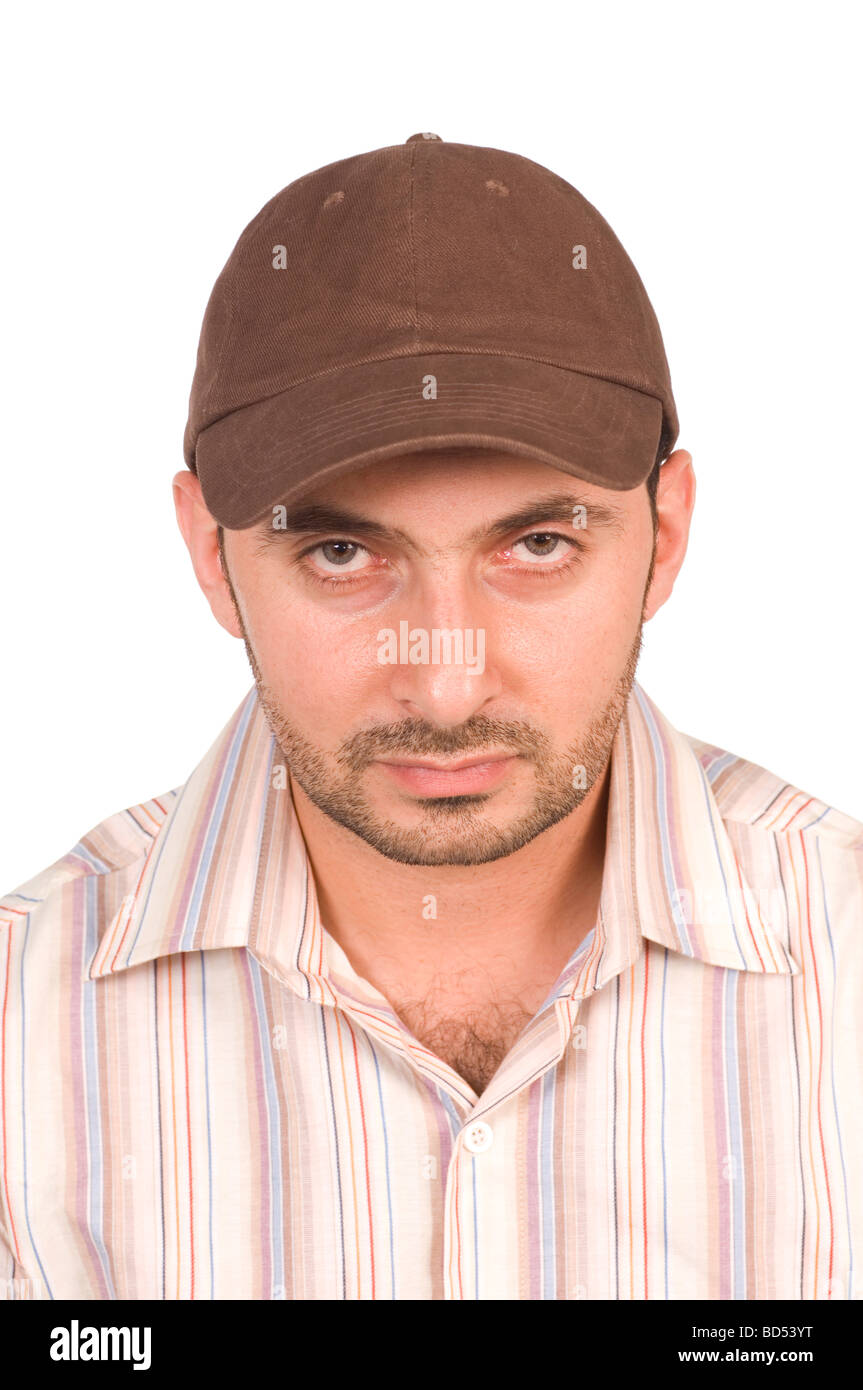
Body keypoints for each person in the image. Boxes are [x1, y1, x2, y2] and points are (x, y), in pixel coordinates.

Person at [2, 134, 861, 1302]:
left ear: (664, 536)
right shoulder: (19, 1035)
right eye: (343, 552)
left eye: (537, 545)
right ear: (210, 554)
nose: (446, 686)